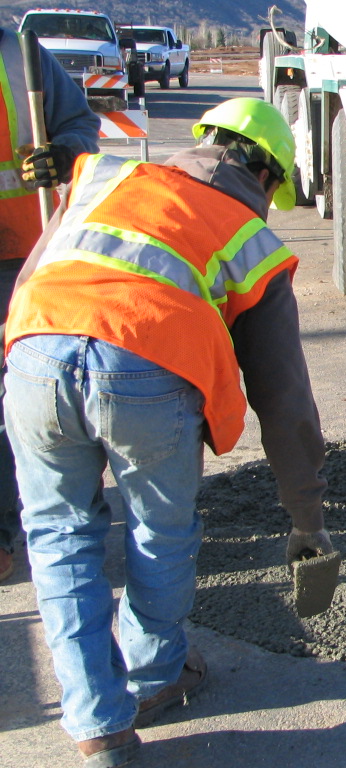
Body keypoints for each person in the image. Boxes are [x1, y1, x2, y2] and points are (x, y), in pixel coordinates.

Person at [3, 97, 334, 768]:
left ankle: (97, 725)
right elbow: (284, 400)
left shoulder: (101, 175)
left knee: (60, 536)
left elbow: (32, 277)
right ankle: (153, 674)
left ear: (205, 141)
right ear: (266, 177)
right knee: (160, 530)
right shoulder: (250, 239)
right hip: (146, 367)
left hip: (36, 352)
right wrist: (307, 519)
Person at [0, 26, 100, 583]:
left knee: (18, 401)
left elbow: (80, 125)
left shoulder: (17, 53)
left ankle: (6, 526)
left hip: (21, 258)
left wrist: (64, 156)